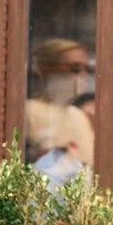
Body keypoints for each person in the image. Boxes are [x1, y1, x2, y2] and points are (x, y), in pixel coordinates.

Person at [25, 38, 95, 175]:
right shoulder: (30, 111)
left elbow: (89, 162)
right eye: (75, 68)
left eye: (86, 69)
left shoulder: (77, 115)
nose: (83, 75)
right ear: (45, 70)